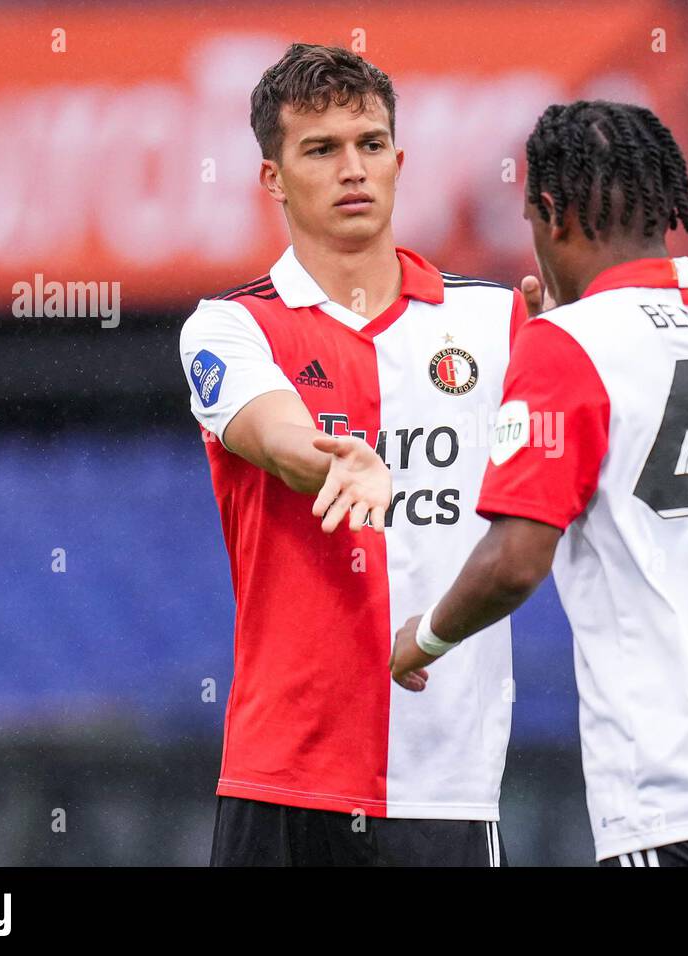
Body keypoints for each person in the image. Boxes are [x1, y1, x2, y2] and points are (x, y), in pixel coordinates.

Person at [391, 100, 688, 867]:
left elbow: (516, 559)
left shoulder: (567, 345)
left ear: (553, 213)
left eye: (531, 219)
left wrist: (424, 638)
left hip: (676, 790)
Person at [179, 43, 526, 866]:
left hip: (443, 783)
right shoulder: (230, 328)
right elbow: (270, 430)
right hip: (283, 781)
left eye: (370, 145)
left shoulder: (496, 324)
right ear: (273, 178)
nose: (353, 169)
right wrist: (335, 459)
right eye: (321, 149)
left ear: (399, 161)